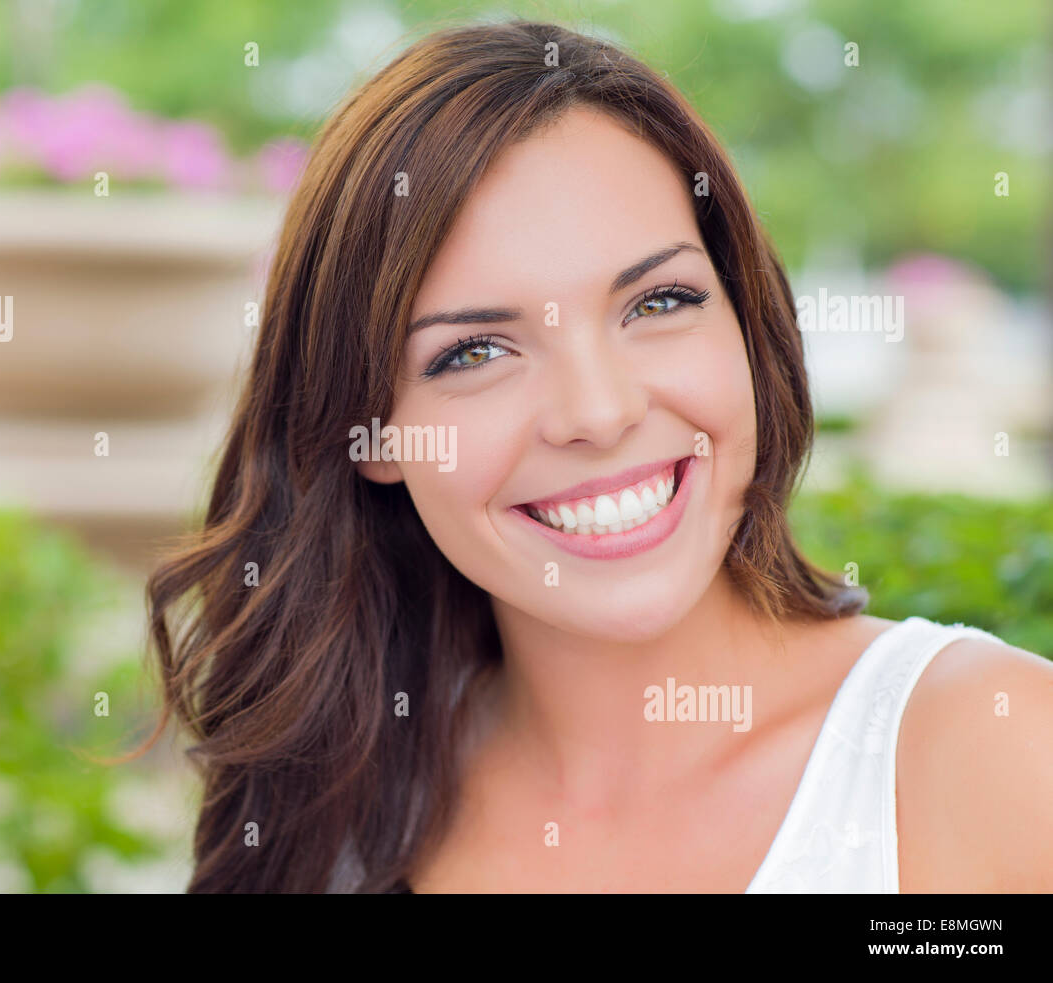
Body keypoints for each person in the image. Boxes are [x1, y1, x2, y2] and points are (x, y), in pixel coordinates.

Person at [145, 19, 1053, 892]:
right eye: (474, 351)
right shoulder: (333, 799)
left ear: (747, 321)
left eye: (657, 302)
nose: (600, 411)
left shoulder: (995, 754)